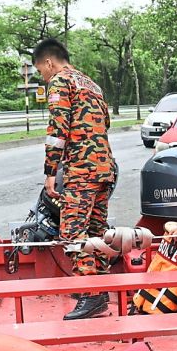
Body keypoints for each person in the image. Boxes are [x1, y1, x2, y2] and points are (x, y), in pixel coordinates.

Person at [33, 37, 118, 320]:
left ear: (48, 62)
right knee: (96, 232)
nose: (43, 78)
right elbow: (104, 124)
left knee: (72, 235)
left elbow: (57, 130)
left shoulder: (60, 81)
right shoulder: (92, 84)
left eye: (41, 72)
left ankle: (90, 296)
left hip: (81, 171)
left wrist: (50, 172)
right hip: (104, 169)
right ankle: (100, 289)